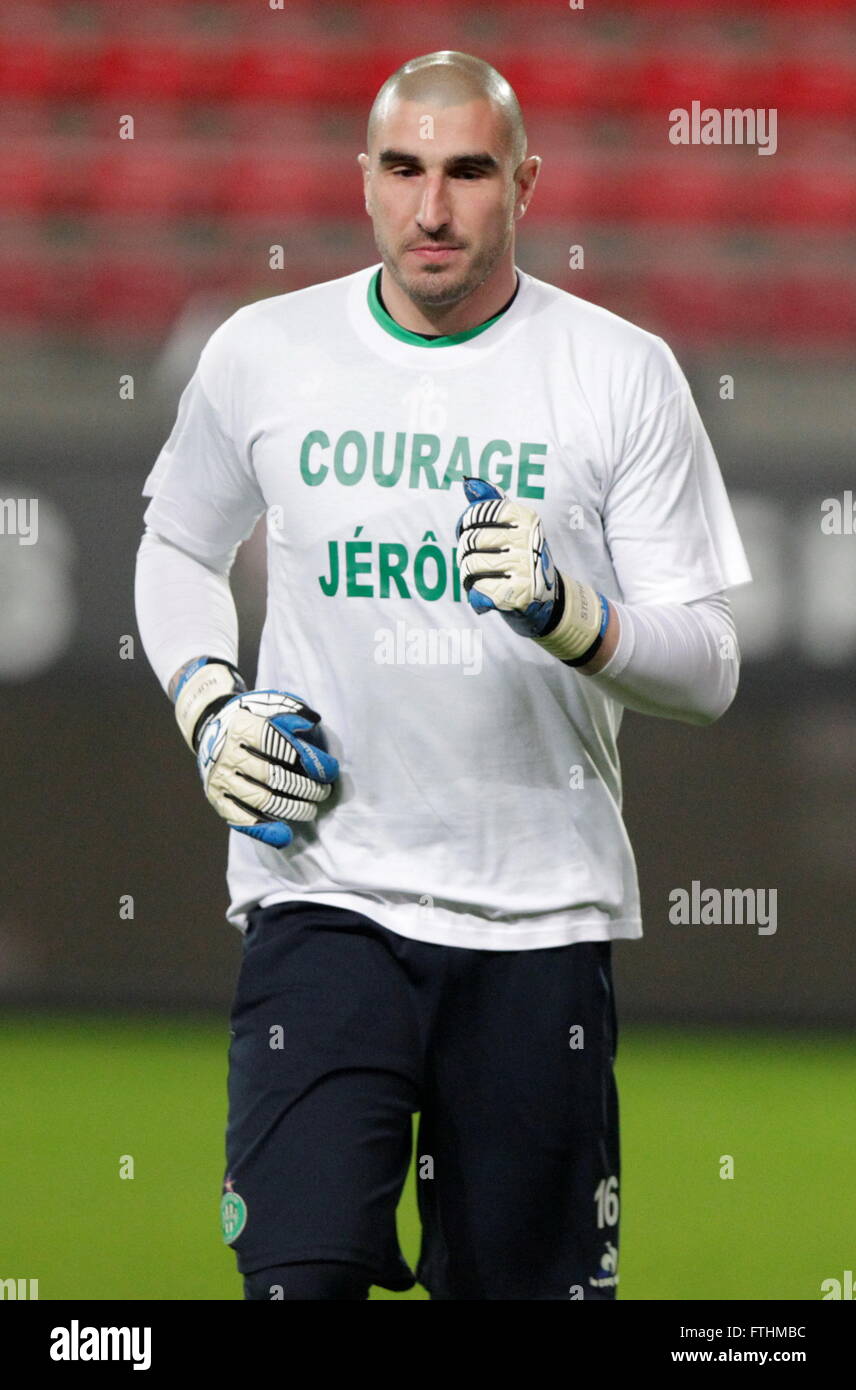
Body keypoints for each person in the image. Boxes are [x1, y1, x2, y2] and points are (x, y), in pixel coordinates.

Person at [134, 50, 751, 1301]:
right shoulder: (267, 351)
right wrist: (207, 701)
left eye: (468, 171)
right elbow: (176, 543)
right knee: (296, 1284)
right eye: (404, 170)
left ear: (524, 181)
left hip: (538, 919)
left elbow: (711, 668)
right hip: (324, 899)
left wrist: (570, 613)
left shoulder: (618, 371)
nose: (432, 209)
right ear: (361, 180)